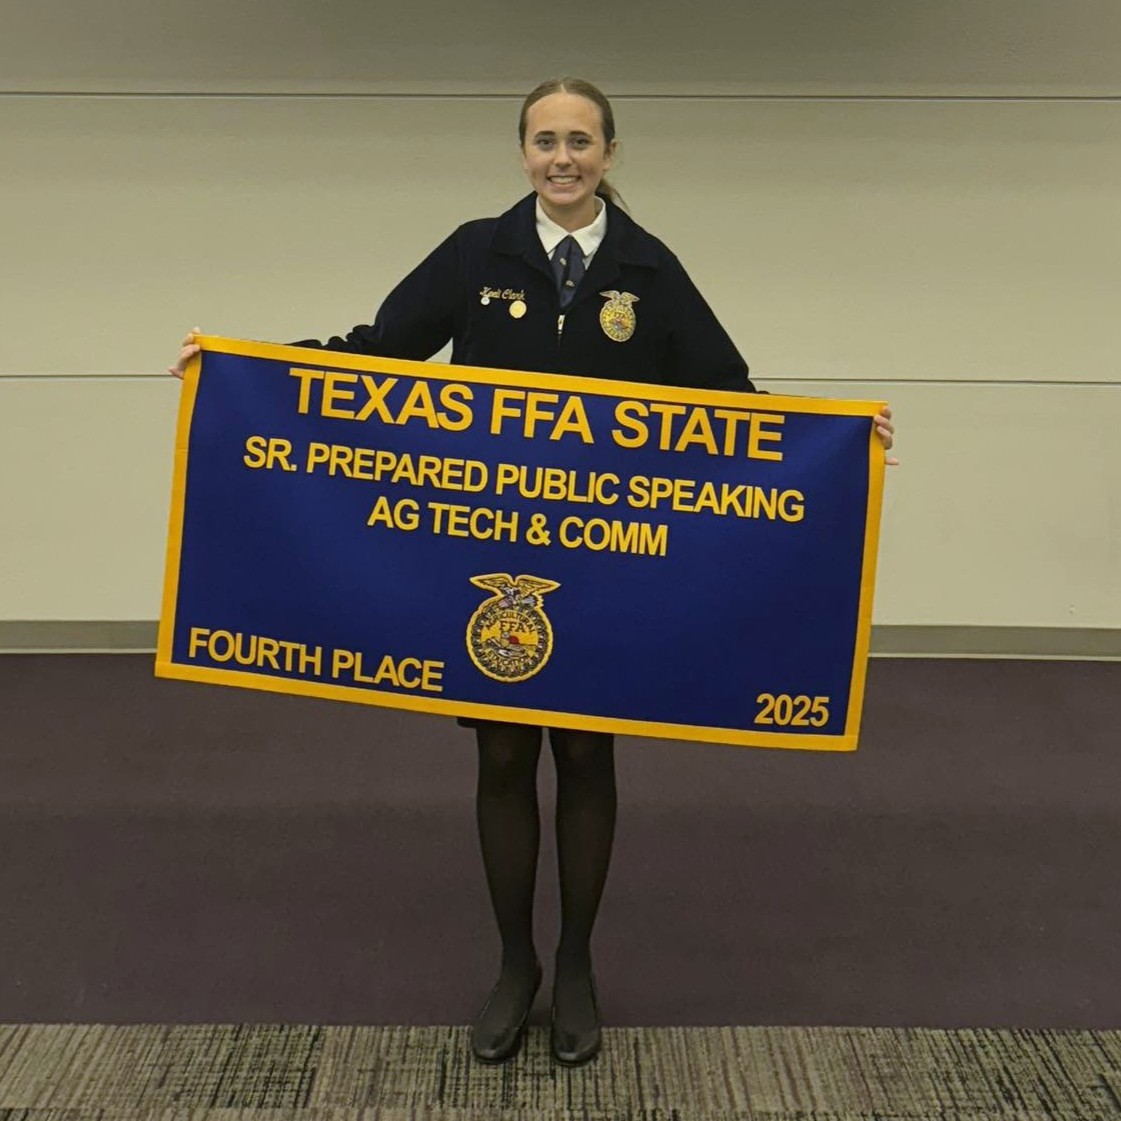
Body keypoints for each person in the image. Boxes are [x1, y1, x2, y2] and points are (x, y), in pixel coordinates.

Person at [171, 77, 897, 1066]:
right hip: (493, 568)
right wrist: (242, 364)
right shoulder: (478, 250)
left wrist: (837, 442)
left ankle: (579, 962)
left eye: (580, 141)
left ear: (608, 153)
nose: (562, 157)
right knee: (504, 759)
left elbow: (728, 398)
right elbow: (377, 353)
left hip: (606, 571)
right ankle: (514, 963)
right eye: (544, 140)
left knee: (588, 757)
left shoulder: (647, 266)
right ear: (521, 151)